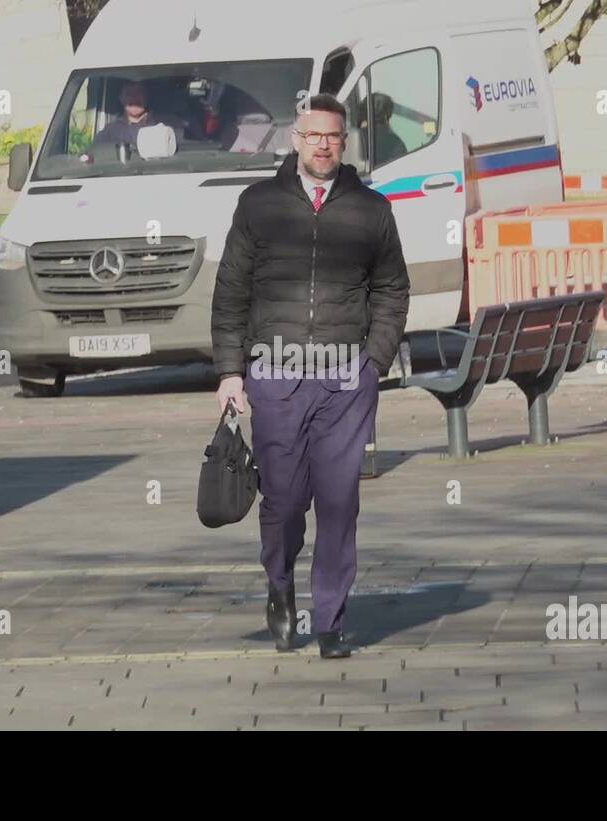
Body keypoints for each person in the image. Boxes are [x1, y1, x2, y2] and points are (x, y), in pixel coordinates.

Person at [210, 93, 410, 659]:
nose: (323, 144)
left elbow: (393, 290)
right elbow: (231, 292)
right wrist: (230, 371)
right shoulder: (258, 205)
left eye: (333, 136)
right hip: (275, 375)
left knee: (339, 499)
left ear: (344, 143)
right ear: (295, 139)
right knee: (283, 501)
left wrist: (373, 363)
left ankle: (330, 620)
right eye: (313, 135)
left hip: (346, 378)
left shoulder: (372, 210)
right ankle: (280, 585)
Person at [92, 81, 172, 153]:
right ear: (121, 98)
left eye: (138, 94)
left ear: (146, 97)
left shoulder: (167, 123)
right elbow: (92, 154)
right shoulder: (110, 131)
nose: (134, 99)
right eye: (129, 94)